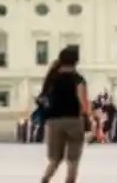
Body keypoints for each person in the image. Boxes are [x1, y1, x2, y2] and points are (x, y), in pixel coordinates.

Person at [39, 46, 90, 183]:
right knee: (73, 161)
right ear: (76, 61)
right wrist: (88, 119)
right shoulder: (78, 79)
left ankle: (45, 180)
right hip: (74, 120)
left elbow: (43, 99)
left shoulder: (52, 78)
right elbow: (83, 102)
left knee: (54, 160)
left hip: (54, 121)